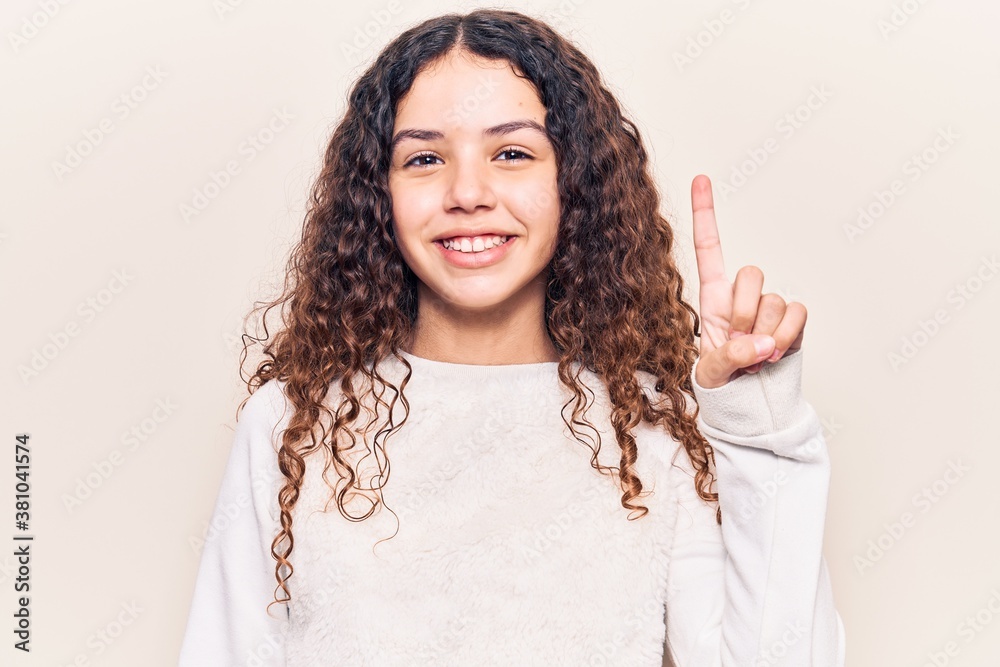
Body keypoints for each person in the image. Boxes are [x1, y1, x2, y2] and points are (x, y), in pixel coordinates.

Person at [178, 9, 845, 666]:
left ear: (572, 182)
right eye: (424, 157)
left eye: (513, 153)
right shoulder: (292, 427)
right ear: (379, 193)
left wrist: (759, 427)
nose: (467, 191)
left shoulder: (653, 435)